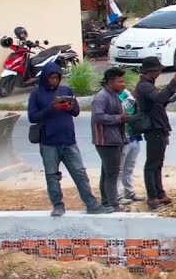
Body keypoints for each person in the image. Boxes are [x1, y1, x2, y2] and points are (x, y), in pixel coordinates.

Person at [27, 62, 110, 216]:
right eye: (51, 77)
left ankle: (92, 204)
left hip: (69, 141)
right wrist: (51, 108)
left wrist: (71, 107)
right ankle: (58, 205)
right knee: (52, 176)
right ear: (45, 78)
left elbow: (76, 112)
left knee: (80, 173)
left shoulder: (66, 90)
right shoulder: (37, 94)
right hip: (49, 142)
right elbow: (32, 117)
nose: (54, 80)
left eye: (57, 77)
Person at [135, 57, 176, 210]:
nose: (159, 73)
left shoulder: (148, 85)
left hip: (158, 127)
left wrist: (169, 99)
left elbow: (159, 101)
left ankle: (160, 193)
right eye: (157, 70)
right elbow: (158, 98)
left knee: (157, 163)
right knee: (152, 164)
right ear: (150, 72)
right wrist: (174, 82)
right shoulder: (144, 86)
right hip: (154, 128)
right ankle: (153, 196)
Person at [91, 68, 130, 211]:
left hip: (115, 139)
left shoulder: (114, 95)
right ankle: (113, 205)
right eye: (120, 81)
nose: (123, 84)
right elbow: (98, 117)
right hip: (106, 141)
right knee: (112, 174)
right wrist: (119, 118)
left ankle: (107, 202)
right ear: (110, 82)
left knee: (107, 173)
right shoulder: (102, 97)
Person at [117, 83, 143, 204]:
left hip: (133, 135)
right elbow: (122, 110)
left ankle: (129, 192)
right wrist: (133, 98)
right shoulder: (114, 96)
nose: (123, 84)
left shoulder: (126, 93)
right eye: (120, 81)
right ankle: (117, 196)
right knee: (119, 169)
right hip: (122, 137)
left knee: (129, 167)